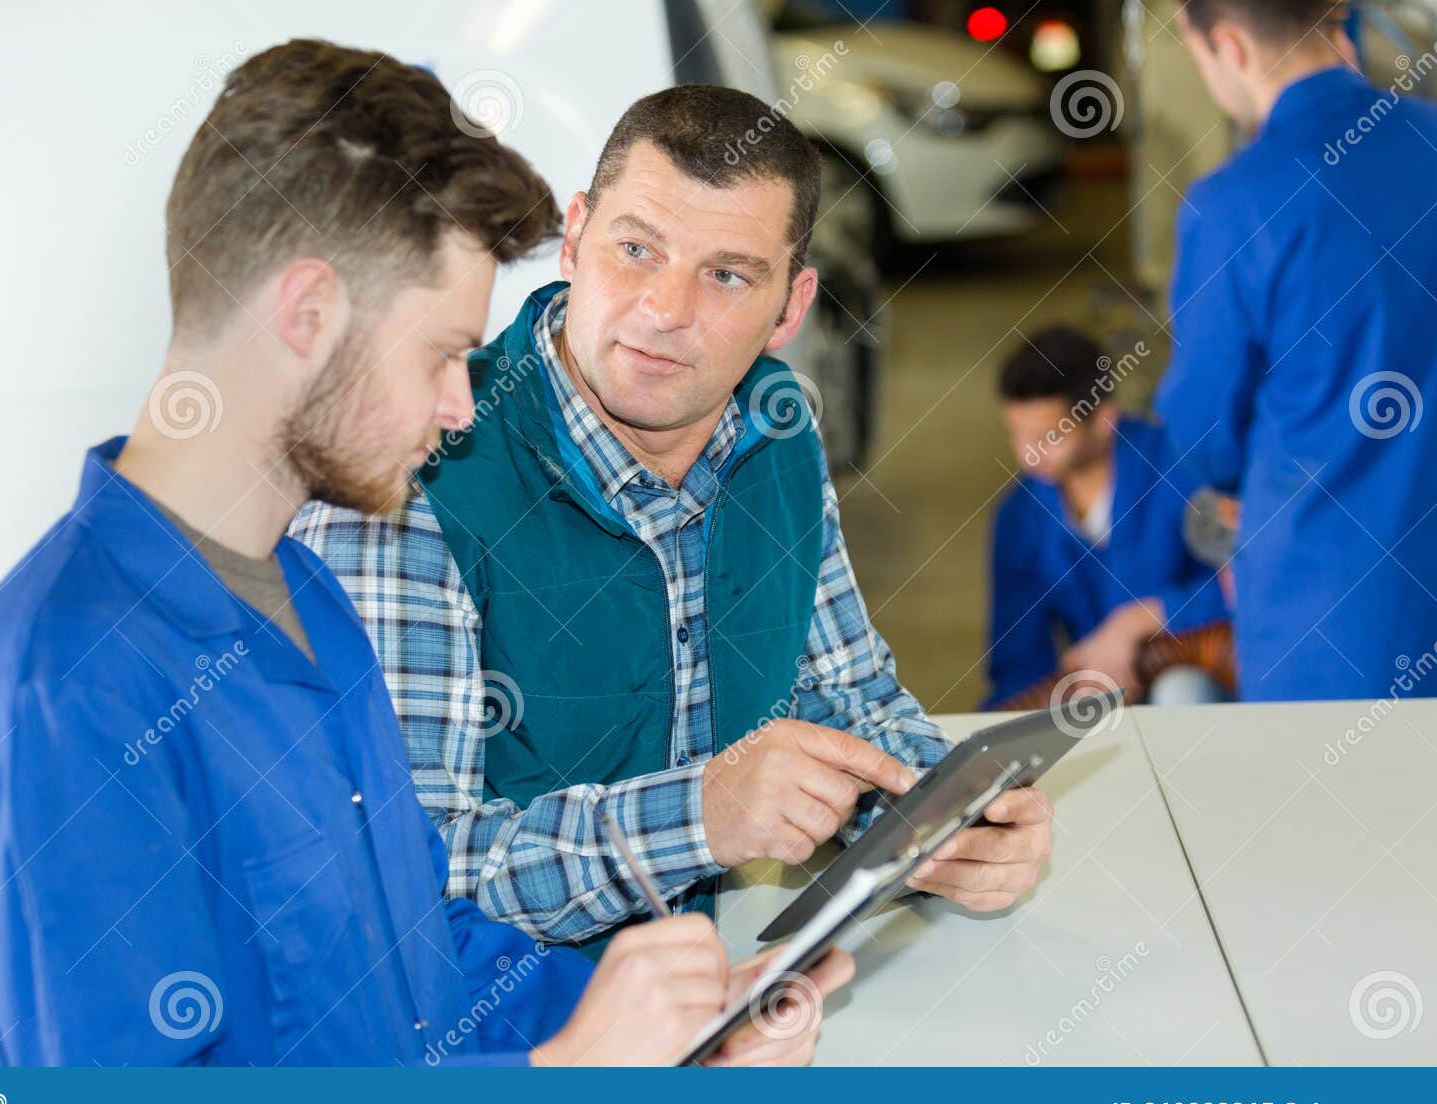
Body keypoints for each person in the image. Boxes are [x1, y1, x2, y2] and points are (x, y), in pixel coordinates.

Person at [0, 41, 850, 1067]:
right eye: (442, 353)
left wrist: (679, 1027)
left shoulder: (307, 600)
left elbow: (419, 966)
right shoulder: (63, 690)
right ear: (309, 316)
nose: (460, 408)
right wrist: (567, 1075)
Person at [292, 85, 1054, 954]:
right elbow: (405, 872)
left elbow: (846, 696)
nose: (664, 310)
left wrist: (943, 815)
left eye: (727, 275)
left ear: (790, 308)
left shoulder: (776, 430)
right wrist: (702, 815)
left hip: (729, 968)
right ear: (574, 238)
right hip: (509, 1024)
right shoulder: (415, 472)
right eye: (636, 250)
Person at [1157, 0, 1437, 700]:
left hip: (1332, 610)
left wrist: (1229, 485)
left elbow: (1204, 429)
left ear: (1229, 46)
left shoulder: (1235, 205)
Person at [986, 326, 1229, 707]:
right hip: (1105, 693)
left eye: (1048, 437)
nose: (1027, 455)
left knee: (1181, 692)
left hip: (1208, 673)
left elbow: (1253, 579)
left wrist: (1141, 619)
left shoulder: (1182, 467)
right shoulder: (1019, 517)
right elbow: (1018, 660)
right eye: (1017, 435)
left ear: (1103, 418)